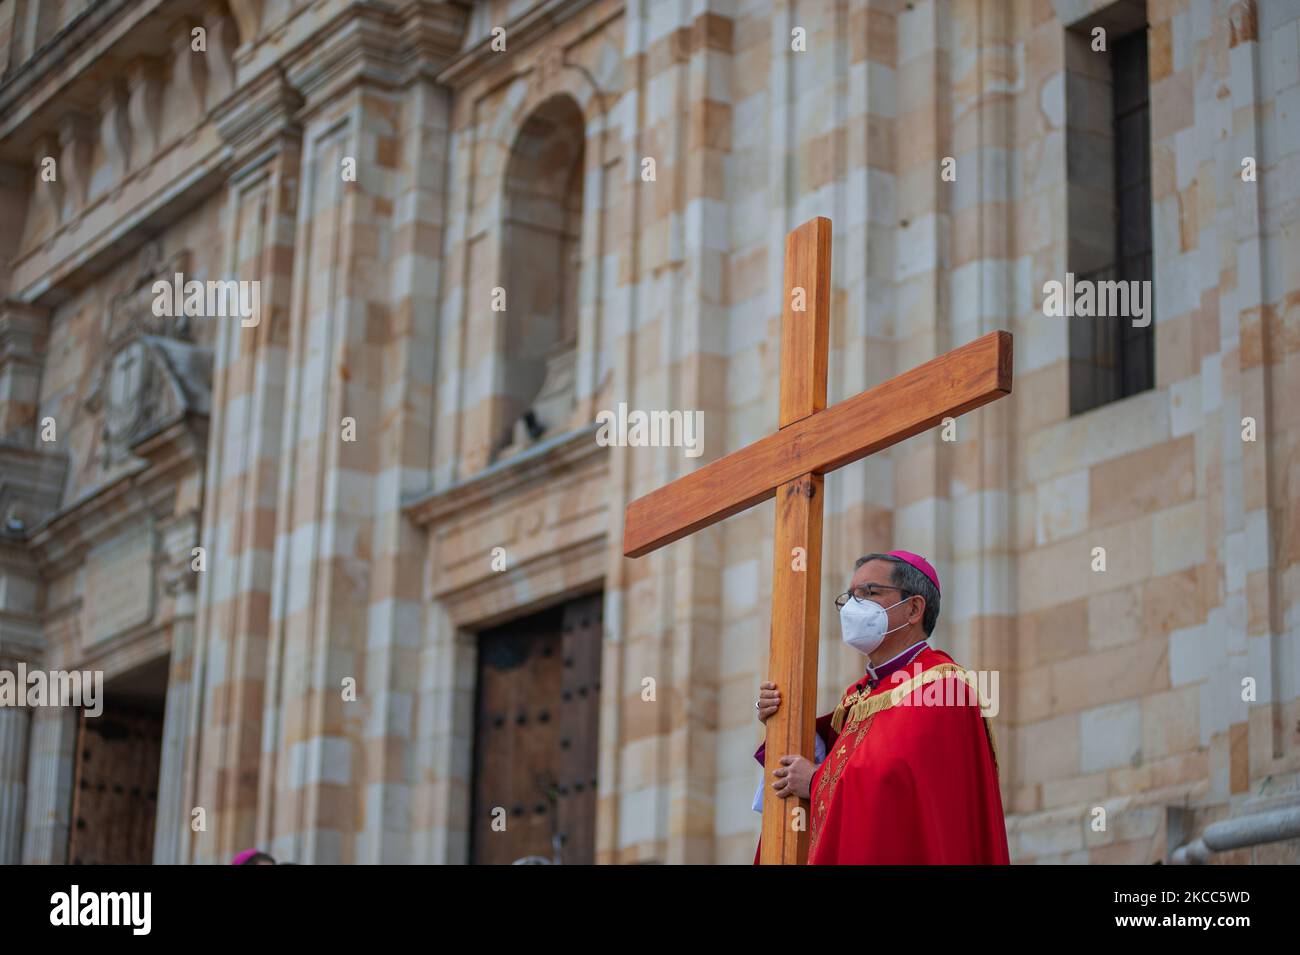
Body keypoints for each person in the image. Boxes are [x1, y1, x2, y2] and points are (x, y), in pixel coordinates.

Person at [754, 550, 1009, 864]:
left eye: (869, 593)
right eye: (850, 596)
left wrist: (817, 782)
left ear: (914, 608)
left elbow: (898, 784)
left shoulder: (943, 687)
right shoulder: (858, 696)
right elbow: (829, 758)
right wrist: (781, 716)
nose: (852, 606)